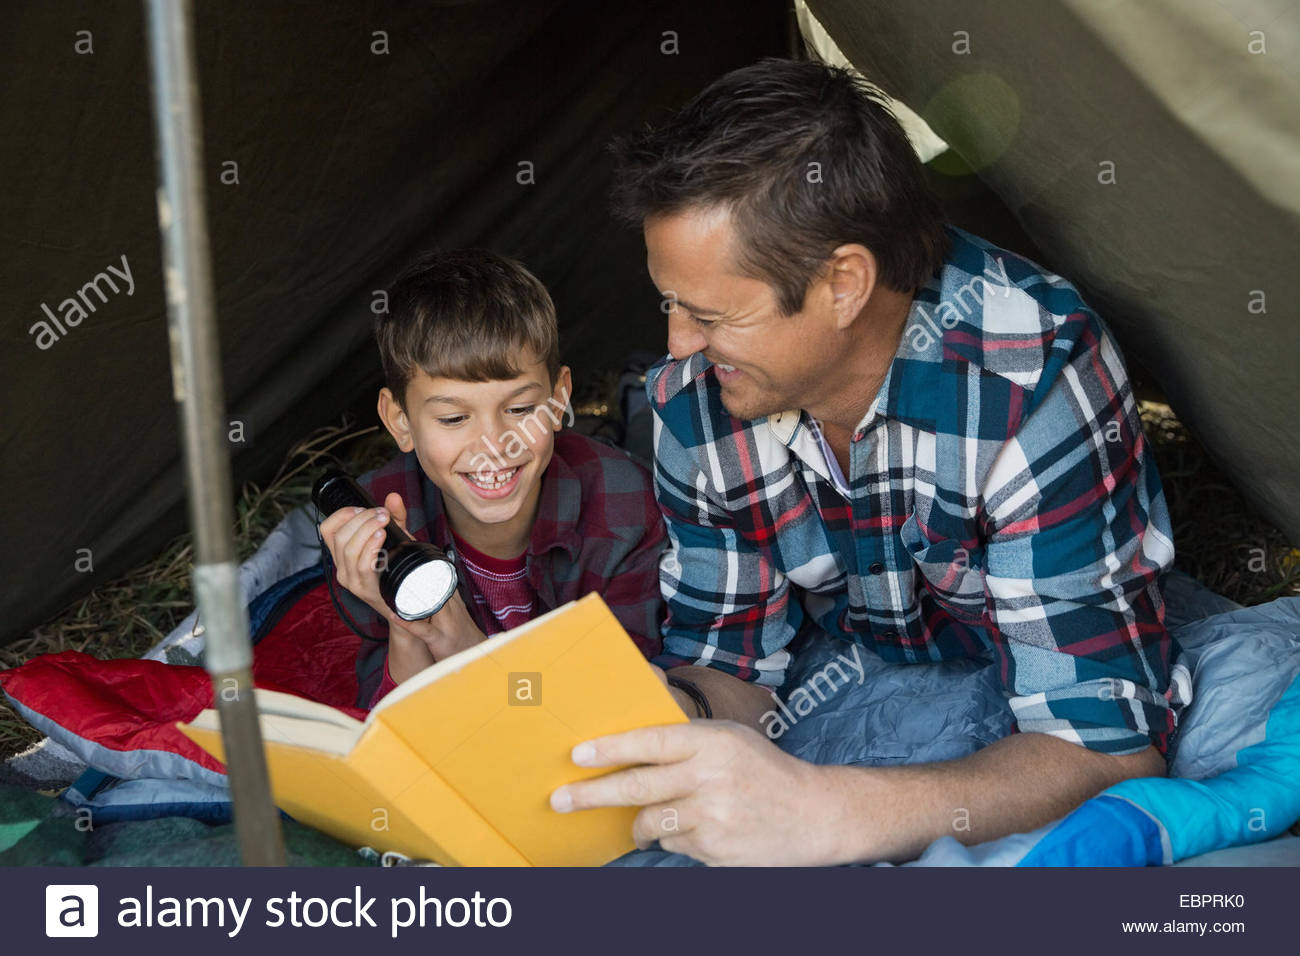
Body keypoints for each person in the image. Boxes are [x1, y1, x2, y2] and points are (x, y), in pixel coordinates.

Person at [549, 58, 1183, 866]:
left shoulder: (1034, 382)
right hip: (857, 669)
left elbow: (1107, 750)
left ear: (844, 282)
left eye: (710, 314)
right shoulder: (695, 398)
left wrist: (824, 812)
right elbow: (732, 660)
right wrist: (666, 715)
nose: (675, 349)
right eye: (670, 303)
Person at [318, 249, 666, 707]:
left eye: (520, 409)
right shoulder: (374, 531)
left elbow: (621, 706)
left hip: (606, 467)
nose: (493, 445)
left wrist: (462, 645)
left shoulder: (629, 510)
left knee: (651, 437)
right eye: (454, 418)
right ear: (400, 421)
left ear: (560, 398)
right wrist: (403, 623)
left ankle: (638, 397)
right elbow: (400, 726)